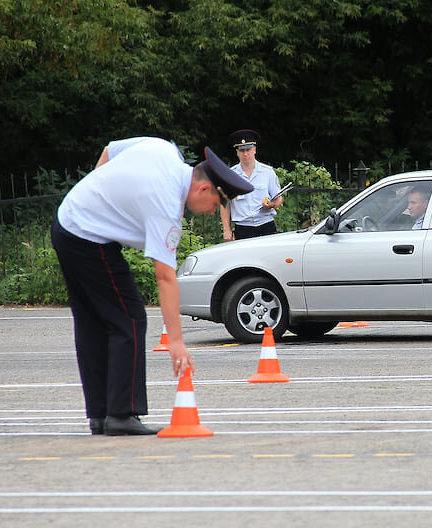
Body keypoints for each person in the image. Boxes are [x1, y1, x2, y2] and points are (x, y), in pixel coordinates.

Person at [50, 137, 253, 435]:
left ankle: (101, 415)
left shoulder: (162, 149)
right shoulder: (167, 207)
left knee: (93, 323)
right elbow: (165, 277)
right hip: (88, 238)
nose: (213, 212)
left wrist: (93, 194)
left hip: (67, 221)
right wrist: (176, 342)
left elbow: (109, 149)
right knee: (130, 318)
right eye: (215, 205)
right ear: (203, 188)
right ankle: (121, 414)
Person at [220, 129, 283, 241]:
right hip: (243, 228)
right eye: (242, 151)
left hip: (266, 225)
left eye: (248, 150)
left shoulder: (267, 172)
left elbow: (279, 199)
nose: (245, 154)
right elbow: (225, 204)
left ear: (254, 149)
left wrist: (271, 204)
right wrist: (227, 230)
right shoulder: (230, 175)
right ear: (237, 152)